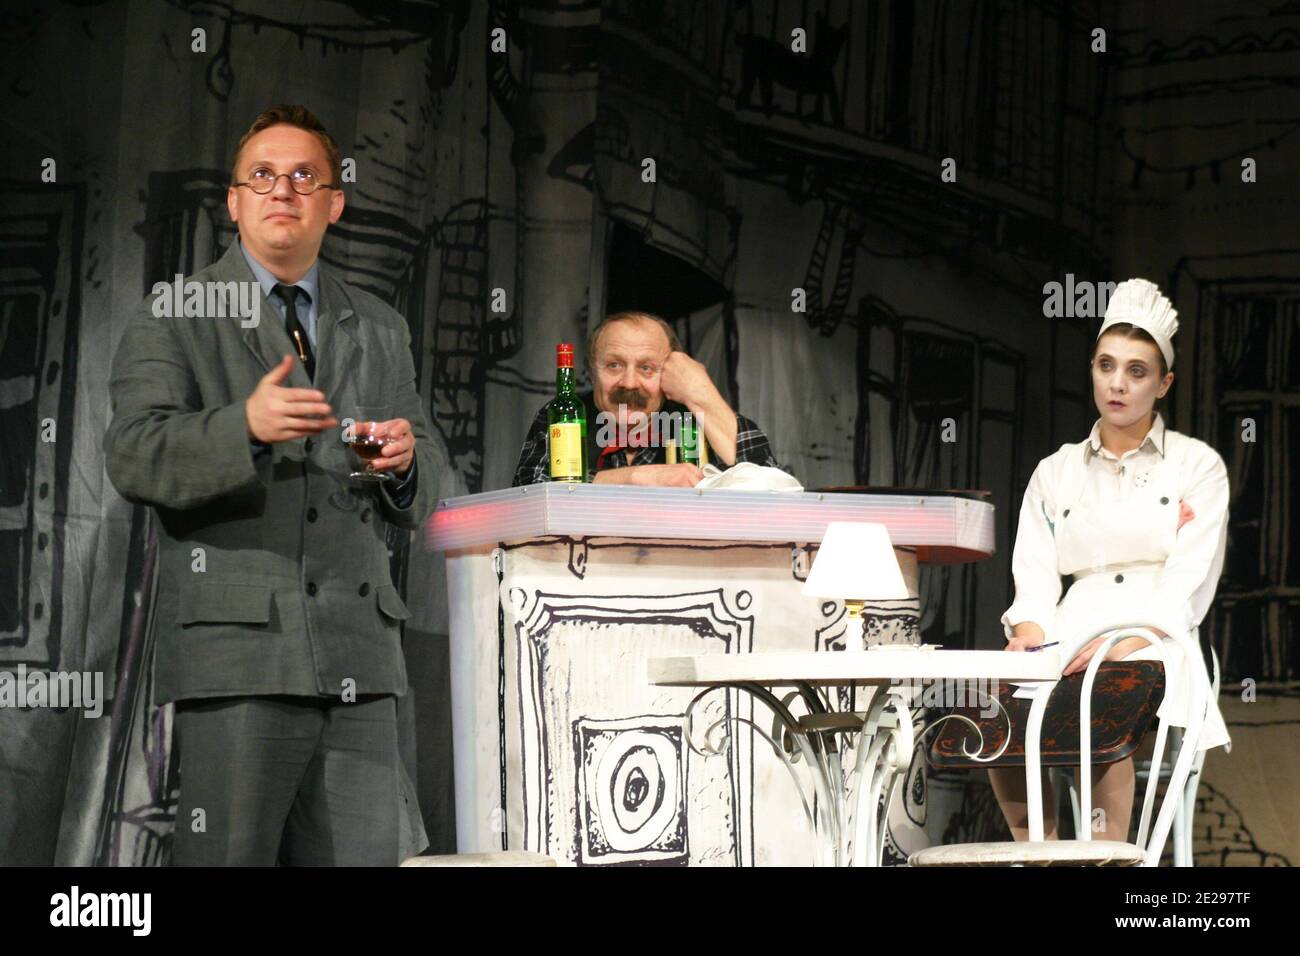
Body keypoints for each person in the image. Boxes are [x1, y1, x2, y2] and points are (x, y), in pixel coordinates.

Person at [104, 105, 439, 865]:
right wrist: (243, 427)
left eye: (303, 177)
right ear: (233, 200)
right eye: (262, 175)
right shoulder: (177, 314)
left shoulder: (380, 324)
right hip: (242, 657)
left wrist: (405, 460)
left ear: (334, 202)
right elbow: (134, 454)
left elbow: (433, 458)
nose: (281, 190)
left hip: (360, 660)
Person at [990, 278, 1231, 843]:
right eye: (1106, 365)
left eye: (1137, 371)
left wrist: (1125, 639)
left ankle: (1104, 858)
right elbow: (1033, 573)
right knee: (1003, 729)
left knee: (1103, 719)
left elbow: (1189, 580)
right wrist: (1029, 635)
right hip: (1064, 637)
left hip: (1154, 638)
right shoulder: (1056, 471)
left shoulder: (1197, 466)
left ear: (1164, 383)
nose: (1117, 384)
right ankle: (1041, 854)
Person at [513, 311, 780, 486]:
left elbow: (770, 487)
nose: (629, 383)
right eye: (614, 365)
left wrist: (702, 391)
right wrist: (634, 478)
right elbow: (530, 493)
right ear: (592, 371)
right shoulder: (564, 414)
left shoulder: (692, 420)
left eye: (647, 368)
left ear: (671, 375)